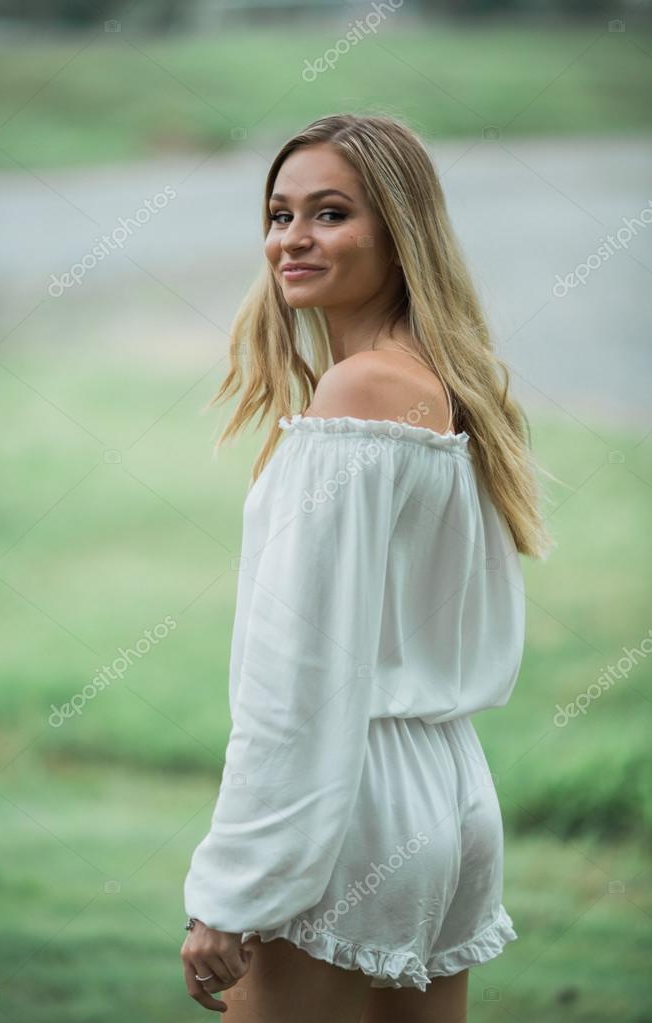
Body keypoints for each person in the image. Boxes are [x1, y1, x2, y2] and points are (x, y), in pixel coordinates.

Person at [180, 112, 556, 1022]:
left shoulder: (359, 394)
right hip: (448, 788)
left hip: (350, 804)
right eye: (279, 214)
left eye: (330, 213)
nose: (293, 240)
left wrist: (235, 883)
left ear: (399, 231)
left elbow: (299, 669)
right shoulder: (440, 381)